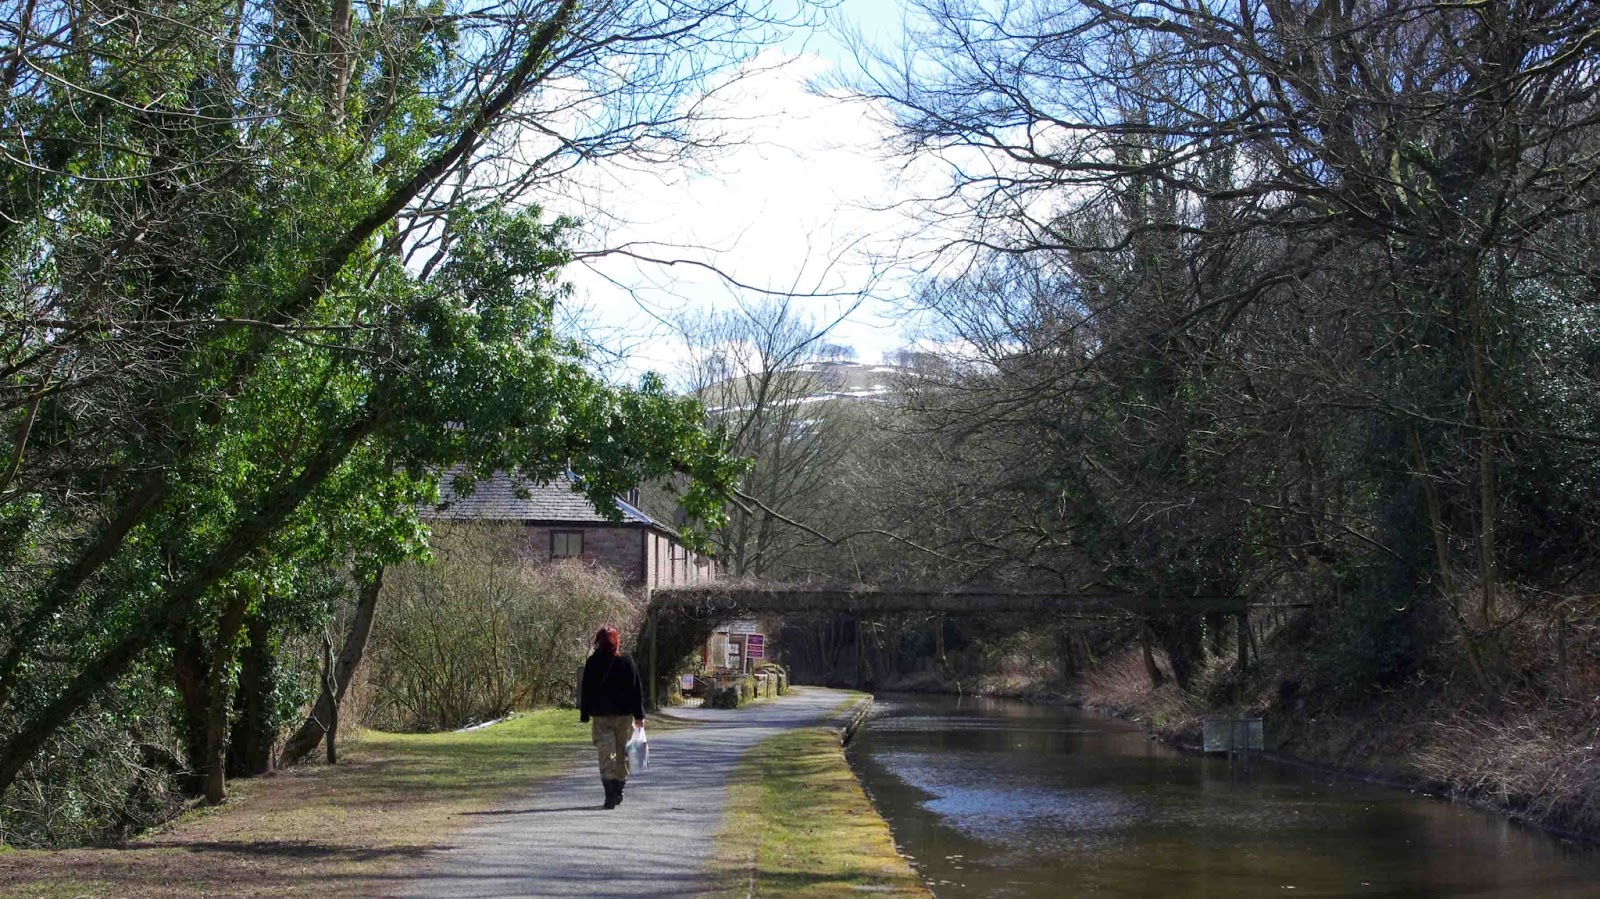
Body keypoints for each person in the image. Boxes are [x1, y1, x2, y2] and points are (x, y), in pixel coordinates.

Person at [578, 625, 646, 809]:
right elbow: (636, 689)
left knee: (608, 755)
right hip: (619, 717)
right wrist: (639, 715)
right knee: (619, 756)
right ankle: (614, 792)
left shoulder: (595, 662)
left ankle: (613, 792)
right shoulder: (625, 660)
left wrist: (585, 713)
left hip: (606, 716)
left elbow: (586, 690)